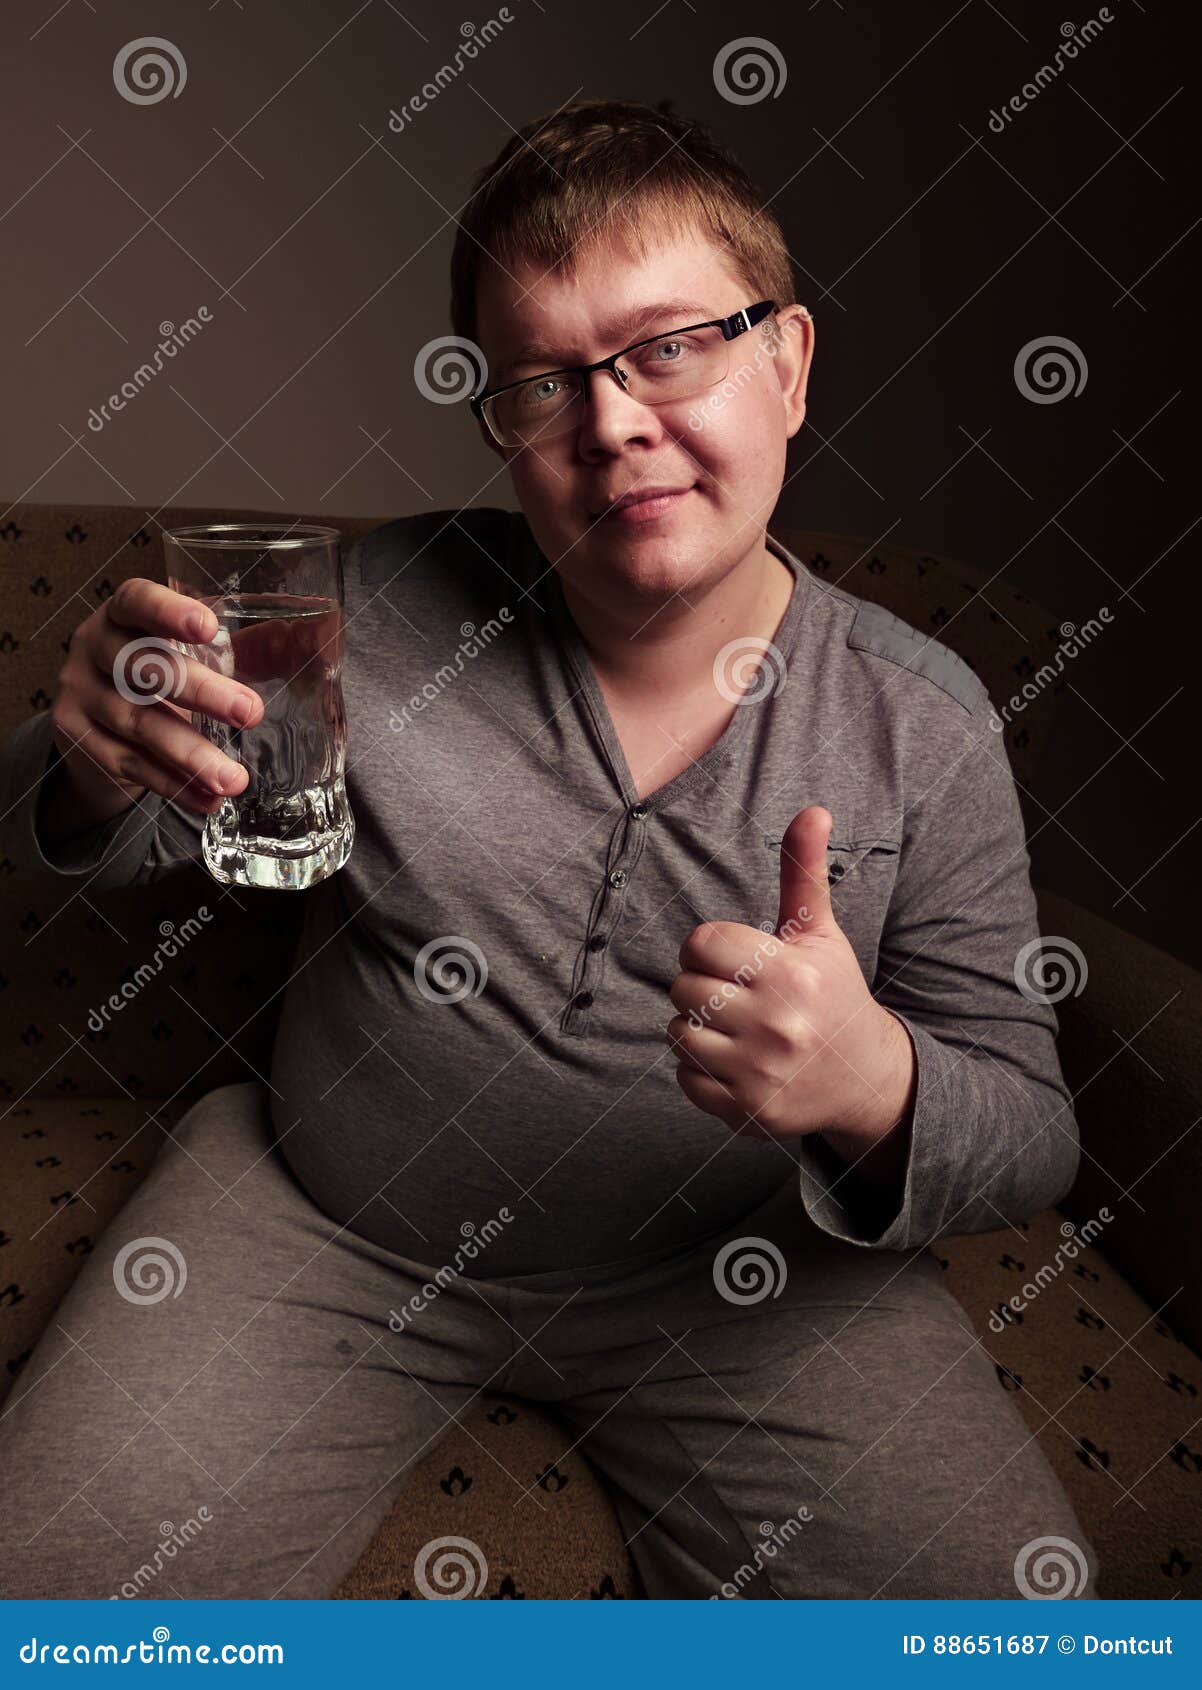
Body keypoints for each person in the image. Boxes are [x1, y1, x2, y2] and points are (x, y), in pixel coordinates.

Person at [0, 99, 1098, 1600]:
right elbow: (128, 828)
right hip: (326, 1224)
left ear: (782, 362)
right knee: (53, 1611)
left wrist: (871, 1081)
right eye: (543, 382)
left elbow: (1030, 1127)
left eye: (669, 347)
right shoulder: (366, 607)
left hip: (741, 1274)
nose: (613, 422)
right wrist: (77, 759)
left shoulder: (925, 721)